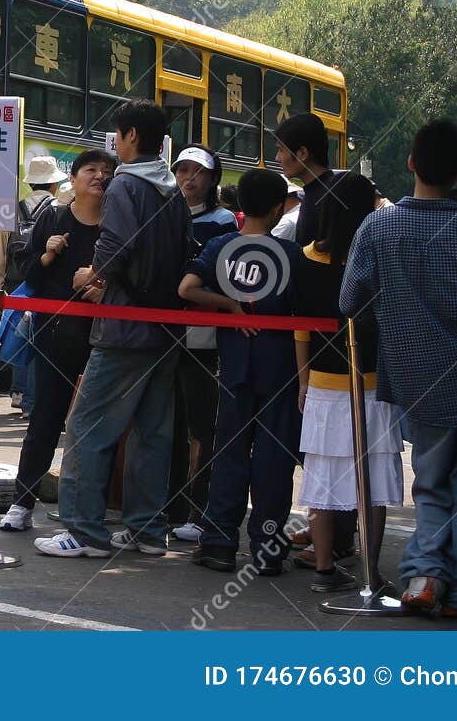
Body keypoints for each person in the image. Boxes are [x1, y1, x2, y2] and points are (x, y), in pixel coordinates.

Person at [339, 119, 457, 621]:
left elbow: (350, 300)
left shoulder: (378, 226)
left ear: (411, 163)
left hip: (417, 376)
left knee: (430, 480)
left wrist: (396, 317)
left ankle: (424, 574)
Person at [36, 100, 191, 559]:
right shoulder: (173, 189)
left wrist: (92, 275)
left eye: (118, 136)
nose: (116, 145)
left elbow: (115, 243)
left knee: (88, 425)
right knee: (153, 433)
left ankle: (84, 532)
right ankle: (146, 528)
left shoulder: (126, 183)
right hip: (167, 327)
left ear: (130, 137)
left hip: (124, 325)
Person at [183, 167, 304, 575]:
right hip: (282, 369)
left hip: (234, 366)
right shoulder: (291, 255)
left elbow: (186, 289)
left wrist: (229, 306)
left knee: (229, 452)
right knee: (273, 458)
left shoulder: (220, 246)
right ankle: (268, 547)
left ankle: (218, 542)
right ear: (275, 209)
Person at [291, 171, 402, 592]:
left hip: (321, 381)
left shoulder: (304, 258)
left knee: (321, 478)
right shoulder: (378, 257)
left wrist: (303, 380)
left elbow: (300, 328)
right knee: (373, 479)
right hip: (372, 382)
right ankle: (371, 572)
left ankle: (323, 568)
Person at [0, 149, 115, 533]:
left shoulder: (117, 224)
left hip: (104, 341)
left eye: (106, 171)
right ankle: (21, 502)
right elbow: (25, 273)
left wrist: (106, 289)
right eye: (90, 170)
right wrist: (48, 255)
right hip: (55, 335)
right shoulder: (54, 216)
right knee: (45, 419)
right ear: (74, 179)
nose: (99, 176)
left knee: (93, 428)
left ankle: (85, 515)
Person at [167, 145, 237, 545]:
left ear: (213, 179)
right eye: (182, 171)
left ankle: (201, 507)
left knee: (202, 424)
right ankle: (170, 505)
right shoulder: (167, 214)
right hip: (166, 331)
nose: (188, 179)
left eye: (198, 172)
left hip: (205, 336)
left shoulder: (223, 222)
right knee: (169, 422)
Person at [0, 154, 69, 416]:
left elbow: (1, 254)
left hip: (16, 284)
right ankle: (32, 403)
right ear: (53, 185)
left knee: (20, 333)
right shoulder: (58, 209)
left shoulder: (14, 209)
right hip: (43, 282)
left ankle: (17, 392)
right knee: (39, 340)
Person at [273, 112, 338, 246]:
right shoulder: (319, 192)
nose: (277, 158)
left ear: (302, 153)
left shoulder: (324, 198)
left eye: (280, 150)